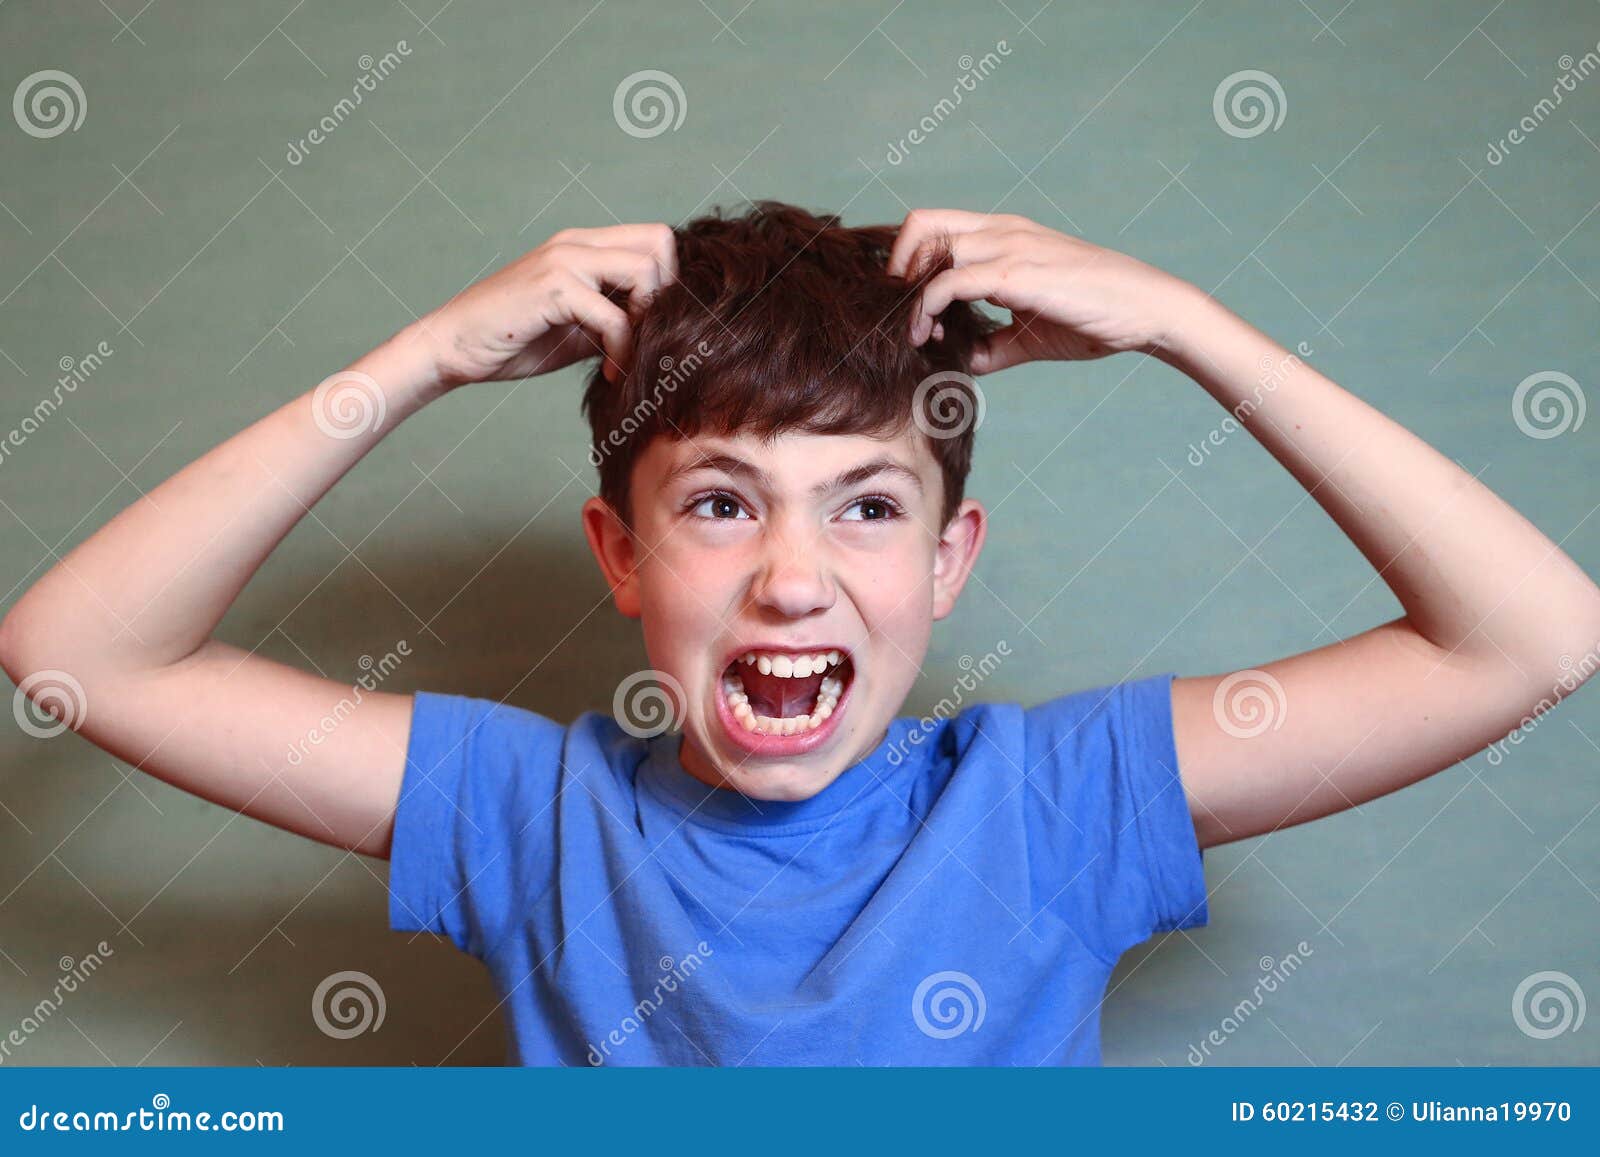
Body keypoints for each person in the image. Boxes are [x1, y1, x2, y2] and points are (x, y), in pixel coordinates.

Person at [4, 202, 1597, 1065]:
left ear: (950, 556)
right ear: (617, 555)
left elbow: (1530, 636)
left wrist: (1188, 324)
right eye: (718, 505)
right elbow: (78, 648)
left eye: (864, 505)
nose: (790, 576)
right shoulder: (530, 812)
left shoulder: (1052, 807)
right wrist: (418, 356)